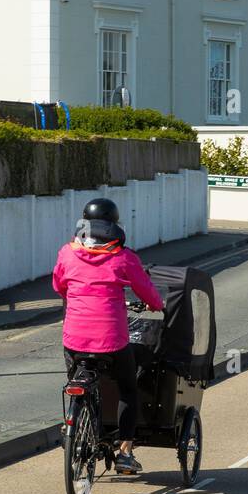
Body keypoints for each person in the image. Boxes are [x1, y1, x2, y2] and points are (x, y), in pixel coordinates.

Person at [53, 197, 164, 476]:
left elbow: (59, 285)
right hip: (112, 340)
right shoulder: (124, 258)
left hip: (74, 339)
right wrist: (156, 304)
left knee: (78, 380)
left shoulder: (67, 253)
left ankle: (76, 425)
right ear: (114, 225)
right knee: (128, 388)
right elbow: (147, 291)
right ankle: (125, 453)